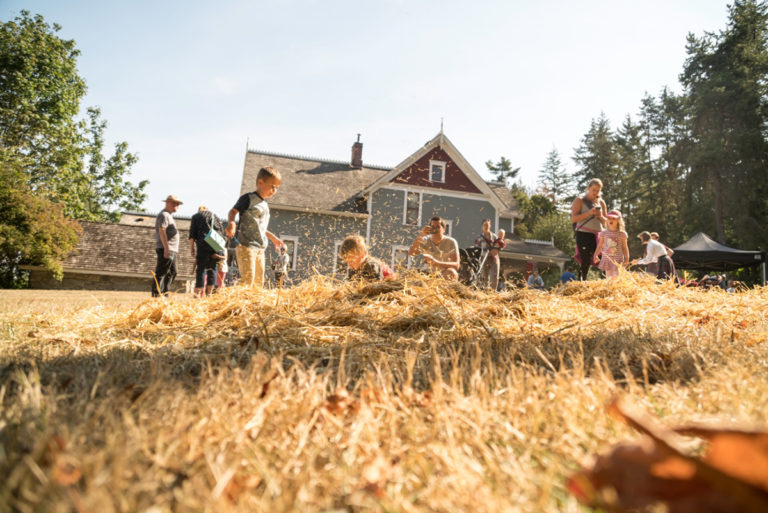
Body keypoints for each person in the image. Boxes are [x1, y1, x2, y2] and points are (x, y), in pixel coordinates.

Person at [225, 166, 283, 288]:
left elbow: (260, 227)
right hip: (246, 246)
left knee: (258, 283)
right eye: (272, 186)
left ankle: (252, 306)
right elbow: (232, 212)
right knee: (248, 279)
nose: (274, 190)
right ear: (260, 182)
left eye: (277, 188)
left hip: (260, 248)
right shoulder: (248, 198)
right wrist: (231, 223)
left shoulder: (265, 205)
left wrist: (273, 238)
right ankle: (231, 295)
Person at [571, 178, 606, 281]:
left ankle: (607, 281)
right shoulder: (580, 200)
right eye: (593, 190)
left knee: (604, 258)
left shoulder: (601, 203)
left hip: (599, 235)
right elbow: (574, 218)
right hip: (583, 233)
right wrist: (590, 213)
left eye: (598, 190)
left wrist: (600, 216)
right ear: (588, 188)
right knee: (585, 260)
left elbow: (606, 222)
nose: (595, 192)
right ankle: (581, 281)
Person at [189, 205, 225, 297]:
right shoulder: (215, 216)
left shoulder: (196, 216)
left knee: (201, 269)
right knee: (212, 268)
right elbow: (222, 231)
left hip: (203, 244)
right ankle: (209, 294)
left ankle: (198, 294)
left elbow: (192, 234)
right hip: (215, 245)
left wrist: (192, 248)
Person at [152, 194, 183, 297]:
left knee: (173, 271)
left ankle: (165, 292)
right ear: (168, 203)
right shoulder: (164, 215)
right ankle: (156, 294)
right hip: (166, 248)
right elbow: (162, 230)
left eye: (178, 204)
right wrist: (166, 248)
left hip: (172, 249)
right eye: (175, 204)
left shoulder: (169, 215)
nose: (177, 206)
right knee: (161, 272)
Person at [593, 210, 629, 279]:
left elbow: (624, 246)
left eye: (614, 218)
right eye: (609, 218)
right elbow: (600, 245)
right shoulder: (604, 233)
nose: (611, 220)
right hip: (607, 259)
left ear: (618, 220)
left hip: (618, 260)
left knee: (617, 277)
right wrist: (595, 255)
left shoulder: (622, 234)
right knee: (609, 278)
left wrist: (627, 258)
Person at [474, 219, 499, 290]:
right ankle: (485, 291)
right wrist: (485, 253)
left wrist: (494, 251)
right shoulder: (478, 238)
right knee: (484, 275)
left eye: (487, 225)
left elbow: (498, 247)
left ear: (490, 226)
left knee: (494, 275)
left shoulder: (495, 237)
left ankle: (493, 291)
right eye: (484, 225)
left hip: (494, 258)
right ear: (482, 226)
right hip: (483, 258)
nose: (486, 226)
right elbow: (477, 249)